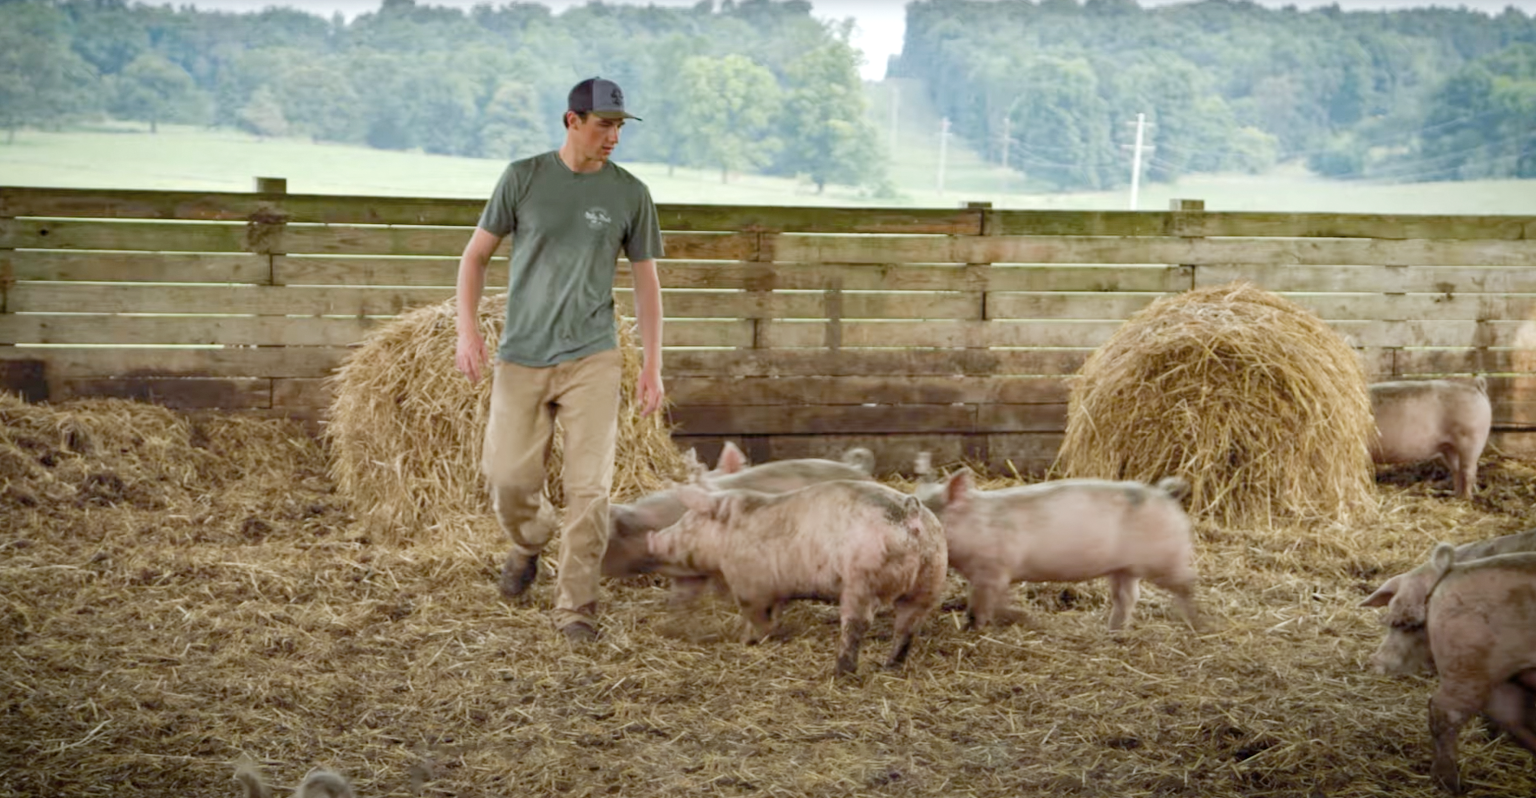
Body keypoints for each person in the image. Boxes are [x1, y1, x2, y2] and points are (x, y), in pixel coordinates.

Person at [454, 76, 665, 644]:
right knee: (506, 479)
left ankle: (576, 608)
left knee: (589, 490)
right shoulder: (523, 178)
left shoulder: (630, 193)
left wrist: (652, 364)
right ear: (572, 121)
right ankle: (529, 540)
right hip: (521, 356)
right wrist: (467, 332)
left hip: (593, 357)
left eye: (619, 126)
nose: (613, 136)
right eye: (603, 125)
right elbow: (474, 258)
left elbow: (647, 284)